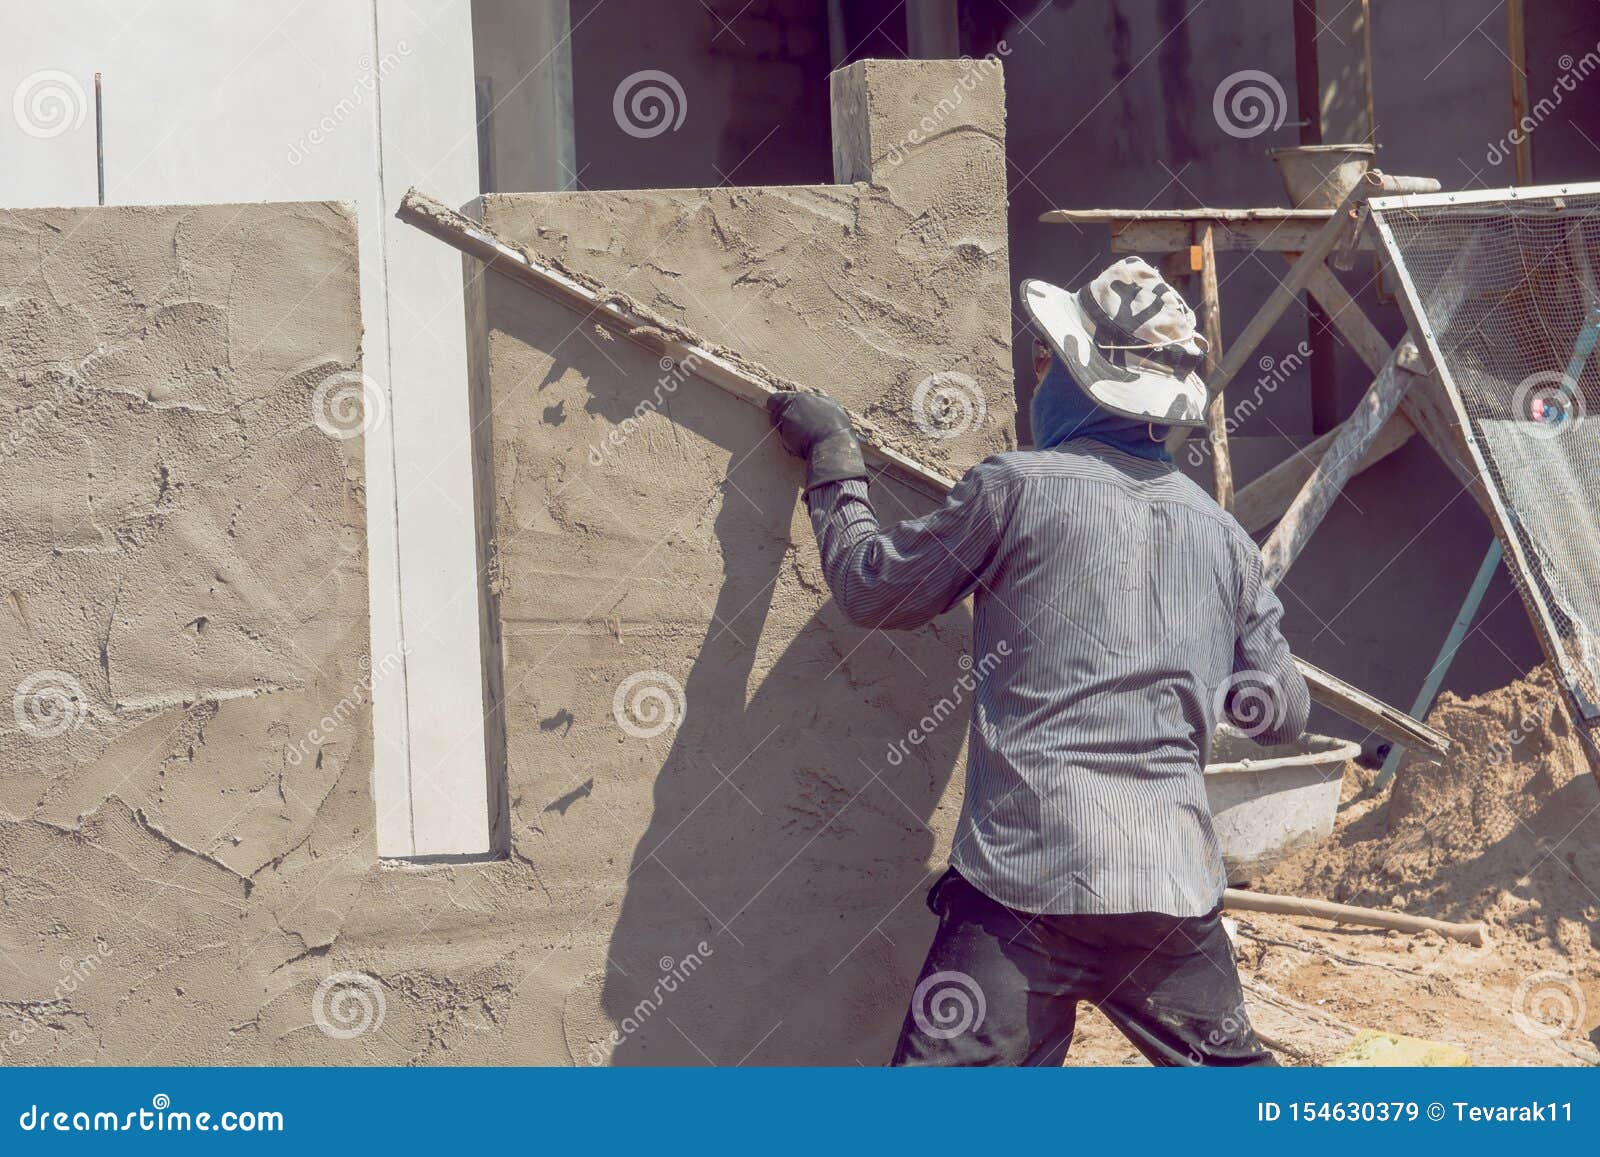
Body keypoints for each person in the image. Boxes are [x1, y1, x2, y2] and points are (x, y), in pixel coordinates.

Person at [767, 257, 1309, 1067]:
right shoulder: (1223, 537)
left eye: (1050, 361)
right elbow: (1285, 713)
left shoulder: (1013, 488)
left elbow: (873, 590)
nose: (1040, 377)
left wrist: (835, 458)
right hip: (1168, 889)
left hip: (1027, 884)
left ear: (1080, 383)